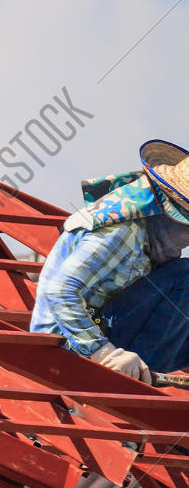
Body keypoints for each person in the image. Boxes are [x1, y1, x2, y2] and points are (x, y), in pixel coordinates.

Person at [30, 139, 189, 383]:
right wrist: (103, 352)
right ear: (171, 213)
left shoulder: (149, 234)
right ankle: (139, 375)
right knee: (185, 275)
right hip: (69, 345)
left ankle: (144, 368)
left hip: (101, 330)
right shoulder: (122, 233)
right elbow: (61, 291)